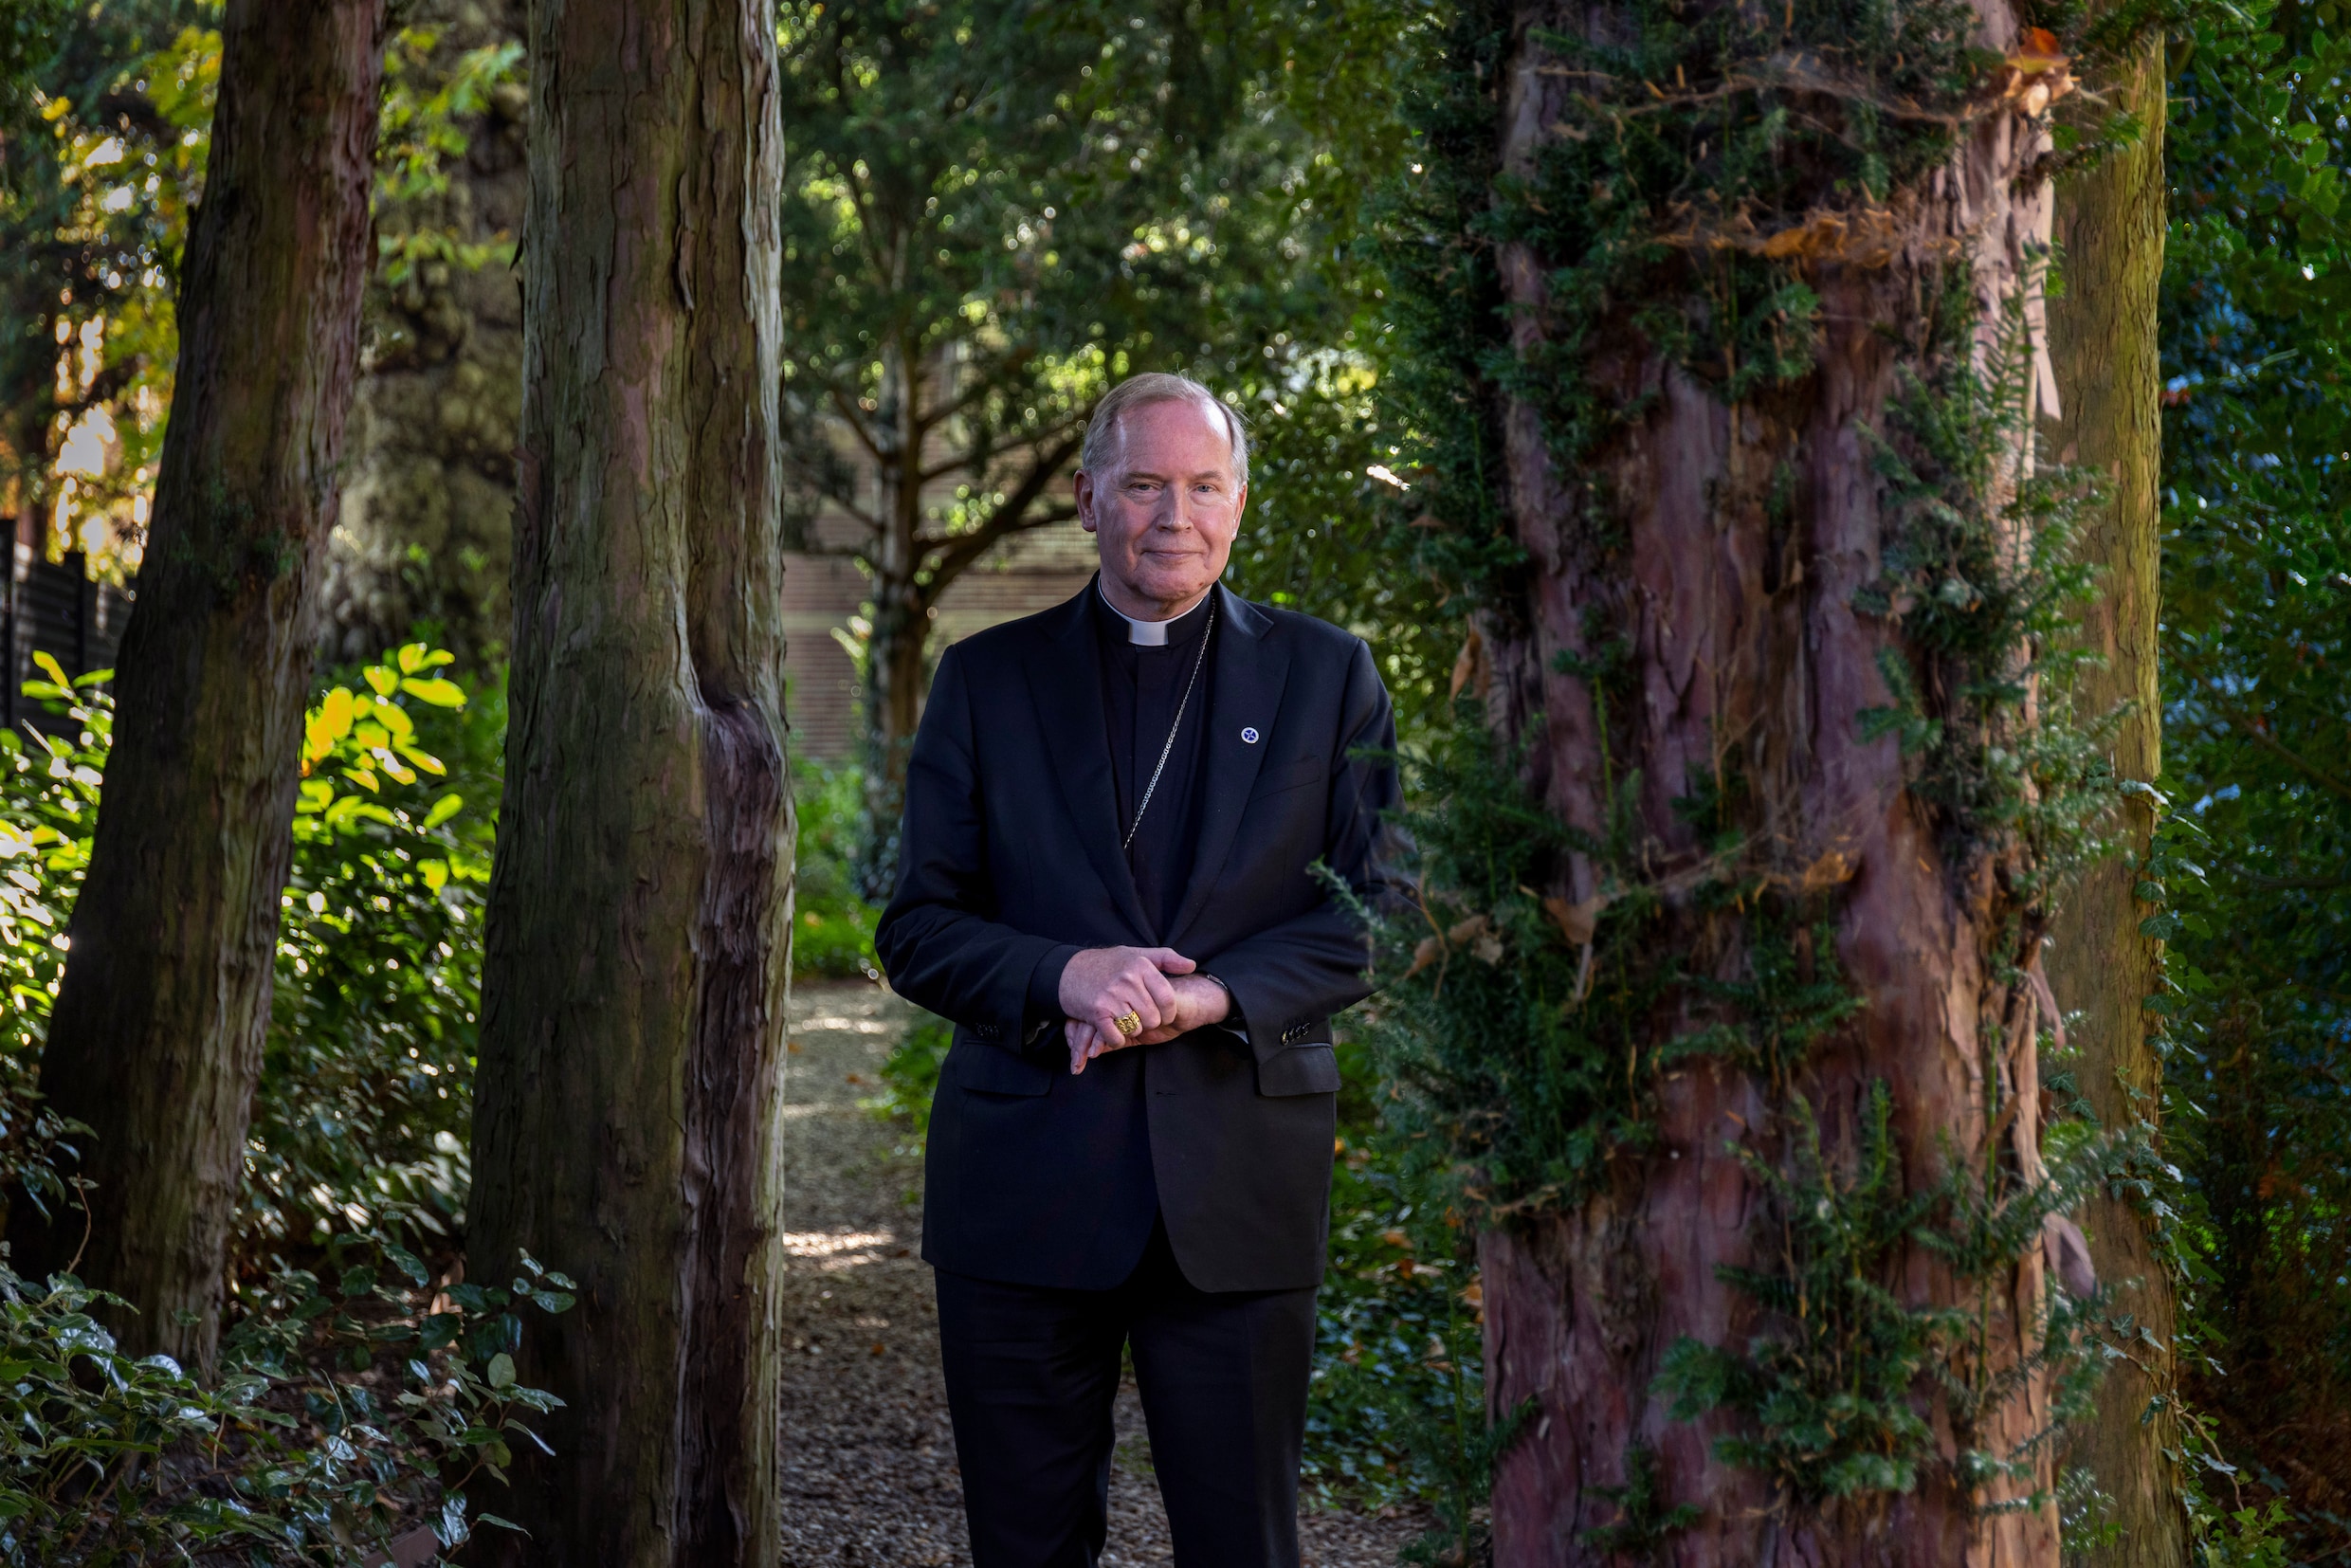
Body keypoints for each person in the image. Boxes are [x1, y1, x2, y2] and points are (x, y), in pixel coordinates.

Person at [873, 372, 1405, 1568]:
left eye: (1203, 485)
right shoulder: (986, 680)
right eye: (1144, 484)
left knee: (1243, 1548)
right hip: (1022, 1184)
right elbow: (916, 924)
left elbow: (1377, 913)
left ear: (1240, 501)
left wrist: (1209, 997)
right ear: (1085, 499)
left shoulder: (1329, 677)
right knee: (1024, 1545)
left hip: (1236, 1189)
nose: (1175, 515)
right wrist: (1063, 975)